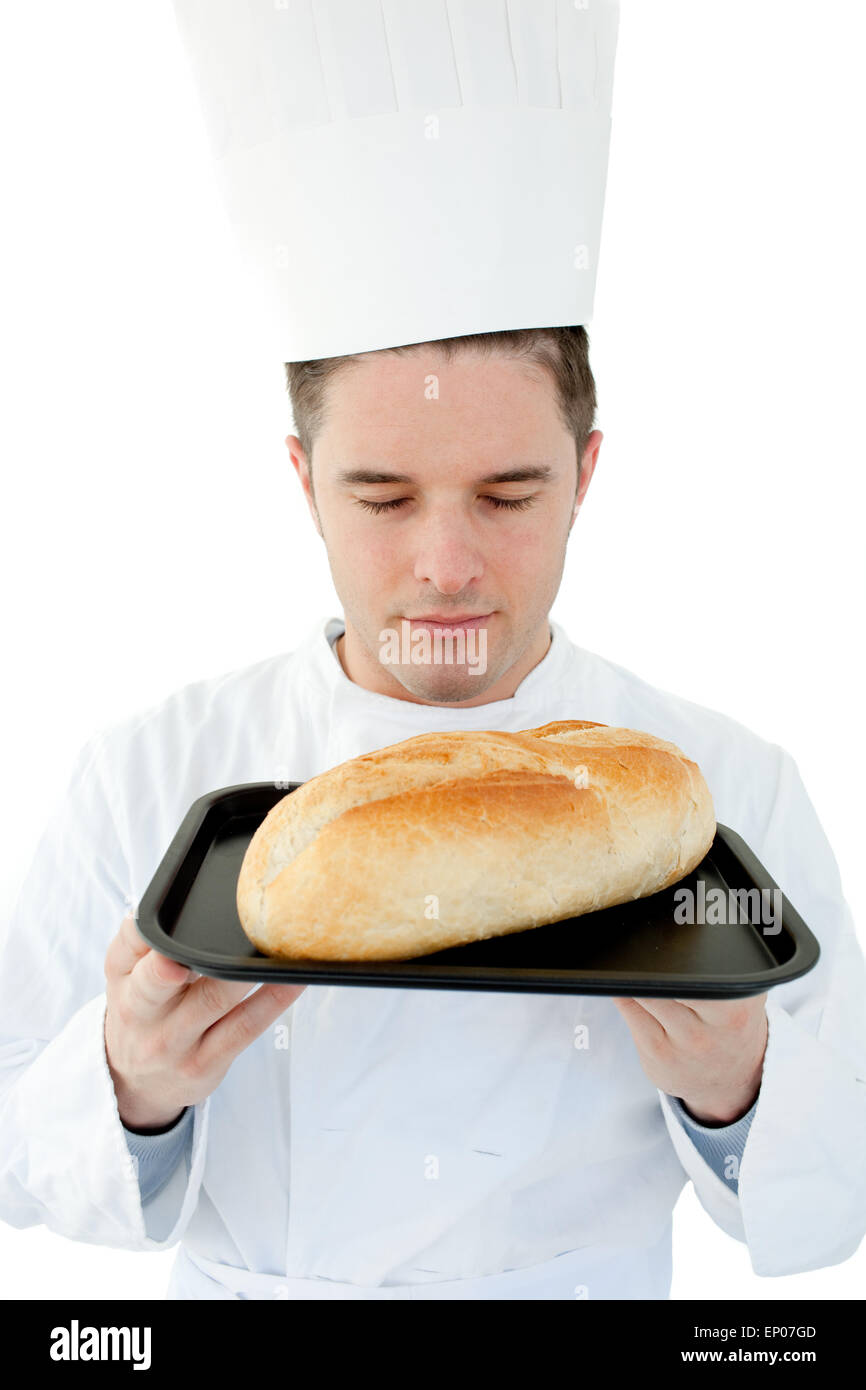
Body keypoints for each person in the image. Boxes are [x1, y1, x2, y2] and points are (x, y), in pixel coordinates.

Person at [1, 325, 864, 1300]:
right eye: (381, 497)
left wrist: (739, 1091)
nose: (445, 565)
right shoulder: (146, 772)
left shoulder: (726, 789)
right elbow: (16, 1158)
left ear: (584, 471)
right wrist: (127, 1090)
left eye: (506, 496)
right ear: (303, 480)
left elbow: (841, 1192)